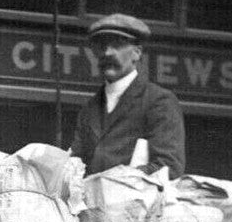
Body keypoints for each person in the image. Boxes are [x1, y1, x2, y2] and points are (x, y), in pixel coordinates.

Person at [69, 13, 186, 179]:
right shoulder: (89, 108)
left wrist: (115, 181)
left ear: (137, 53)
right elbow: (76, 162)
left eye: (117, 45)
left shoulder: (158, 101)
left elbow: (168, 166)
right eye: (101, 47)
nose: (107, 53)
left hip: (136, 202)